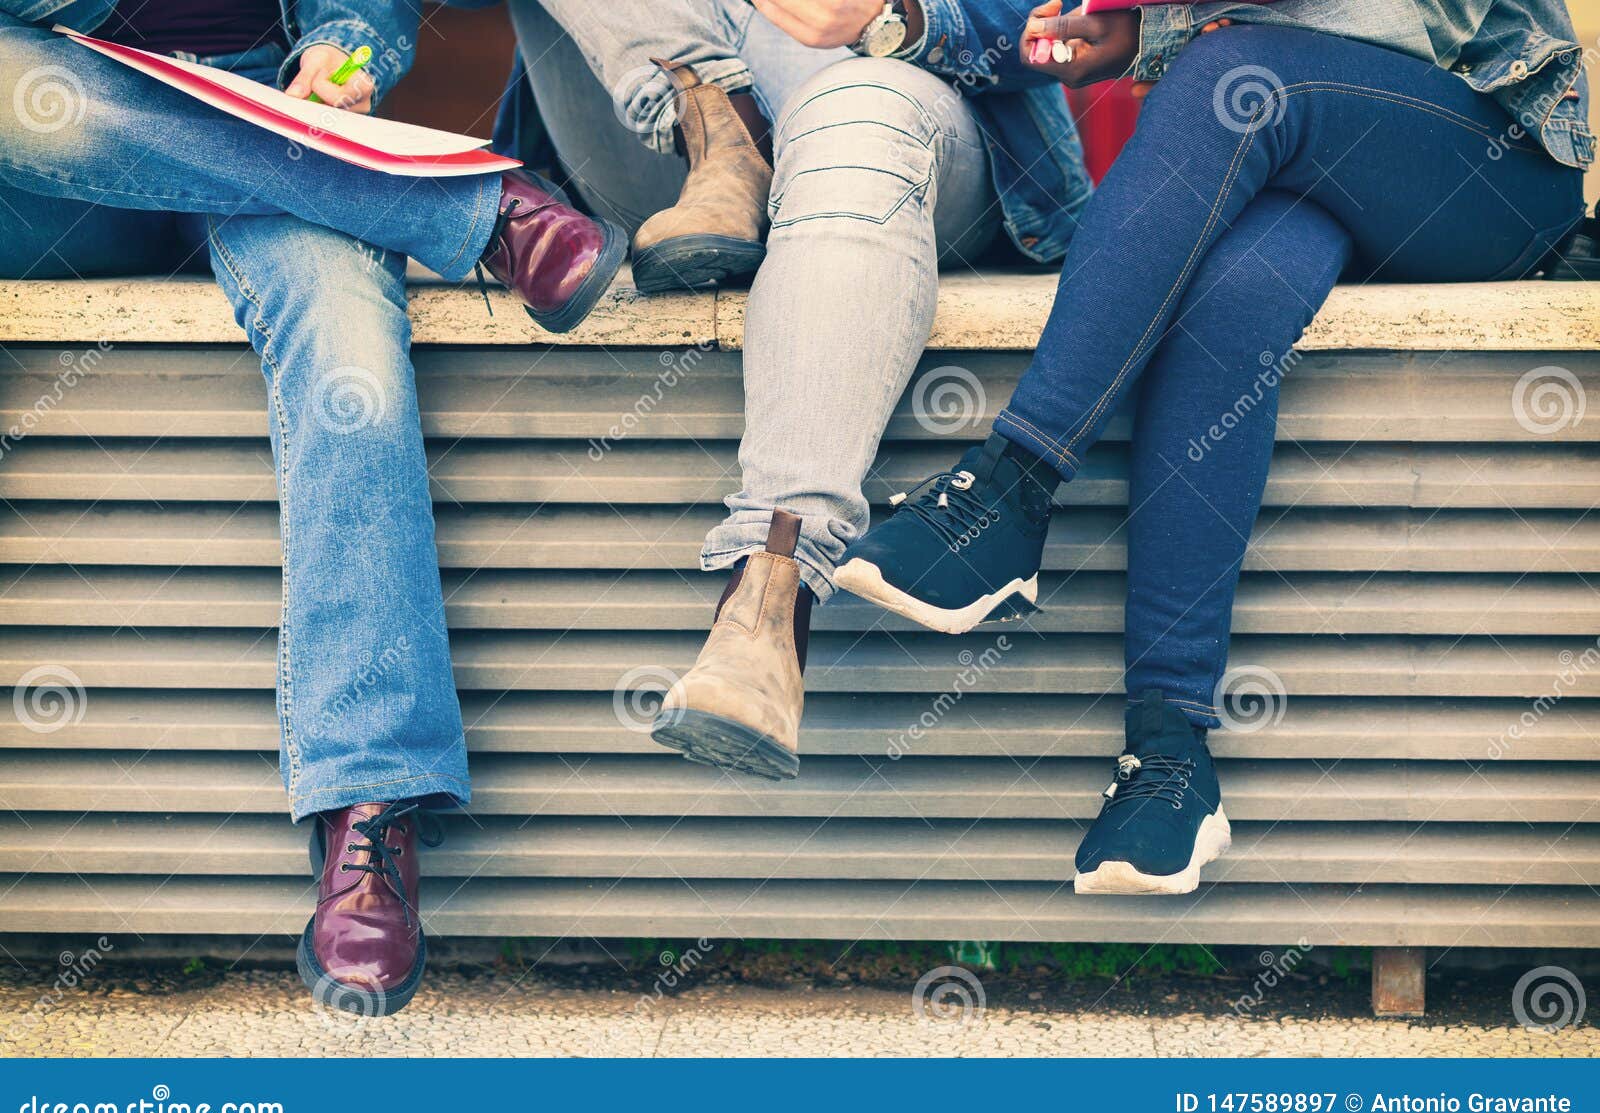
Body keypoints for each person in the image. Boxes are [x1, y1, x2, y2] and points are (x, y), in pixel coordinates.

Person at [836, 0, 1592, 893]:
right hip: (1323, 153)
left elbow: (1379, 25)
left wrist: (1149, 33)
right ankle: (1169, 758)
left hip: (1486, 164)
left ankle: (1013, 484)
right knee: (1232, 297)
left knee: (1234, 80)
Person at [0, 0, 626, 1015]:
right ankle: (466, 208)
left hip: (273, 118)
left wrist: (344, 45)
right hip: (57, 137)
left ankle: (370, 804)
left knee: (353, 366)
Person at [496, 0, 1093, 776]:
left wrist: (896, 17)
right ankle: (721, 136)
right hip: (645, 125)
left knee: (855, 114)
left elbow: (1076, 20)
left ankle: (768, 599)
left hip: (903, 108)